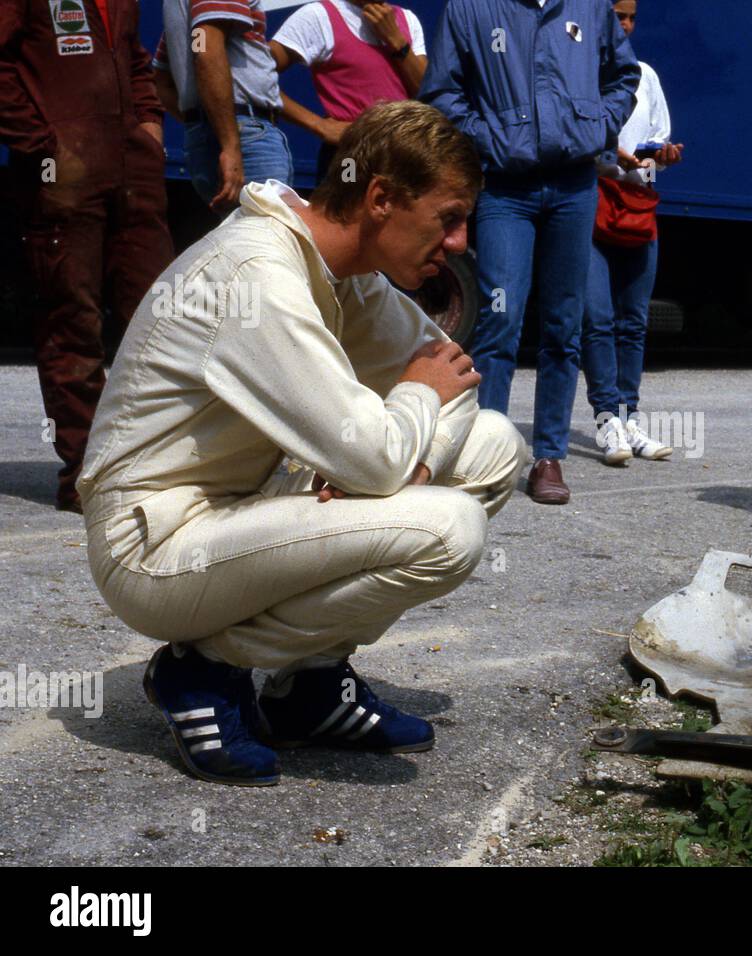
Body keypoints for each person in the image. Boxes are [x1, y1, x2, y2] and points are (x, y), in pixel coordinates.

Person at [77, 102, 527, 786]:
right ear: (380, 198)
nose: (460, 242)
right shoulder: (256, 276)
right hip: (154, 545)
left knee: (494, 445)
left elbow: (456, 378)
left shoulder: (347, 278)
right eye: (448, 217)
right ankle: (198, 672)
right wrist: (402, 432)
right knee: (449, 529)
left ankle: (310, 689)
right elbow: (381, 450)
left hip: (238, 511)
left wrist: (421, 460)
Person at [421, 0, 641, 504]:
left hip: (575, 186)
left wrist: (596, 124)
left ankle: (548, 457)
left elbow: (623, 75)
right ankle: (489, 455)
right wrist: (492, 136)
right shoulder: (472, 7)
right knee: (501, 320)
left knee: (564, 327)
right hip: (504, 188)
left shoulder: (588, 6)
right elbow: (441, 92)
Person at [0, 0, 173, 514]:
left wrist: (149, 126)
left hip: (133, 173)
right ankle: (85, 476)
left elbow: (135, 59)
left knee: (163, 316)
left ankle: (154, 465)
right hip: (62, 176)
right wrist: (42, 142)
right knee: (71, 323)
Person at [585, 0, 683, 466]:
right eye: (616, 16)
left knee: (633, 322)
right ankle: (607, 421)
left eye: (631, 17)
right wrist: (611, 158)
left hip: (638, 207)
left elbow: (653, 141)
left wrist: (658, 157)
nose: (624, 25)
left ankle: (630, 417)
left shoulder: (645, 74)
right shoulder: (579, 68)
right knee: (598, 320)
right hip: (591, 206)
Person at [153, 0, 293, 210]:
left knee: (244, 235)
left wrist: (205, 126)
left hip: (218, 134)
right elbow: (206, 46)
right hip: (244, 136)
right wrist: (229, 145)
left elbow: (162, 78)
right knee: (266, 235)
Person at [270, 1, 429, 180]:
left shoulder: (408, 20)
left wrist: (397, 40)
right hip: (350, 158)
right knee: (347, 206)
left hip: (402, 157)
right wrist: (317, 124)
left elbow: (427, 92)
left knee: (399, 208)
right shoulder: (318, 16)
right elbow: (257, 75)